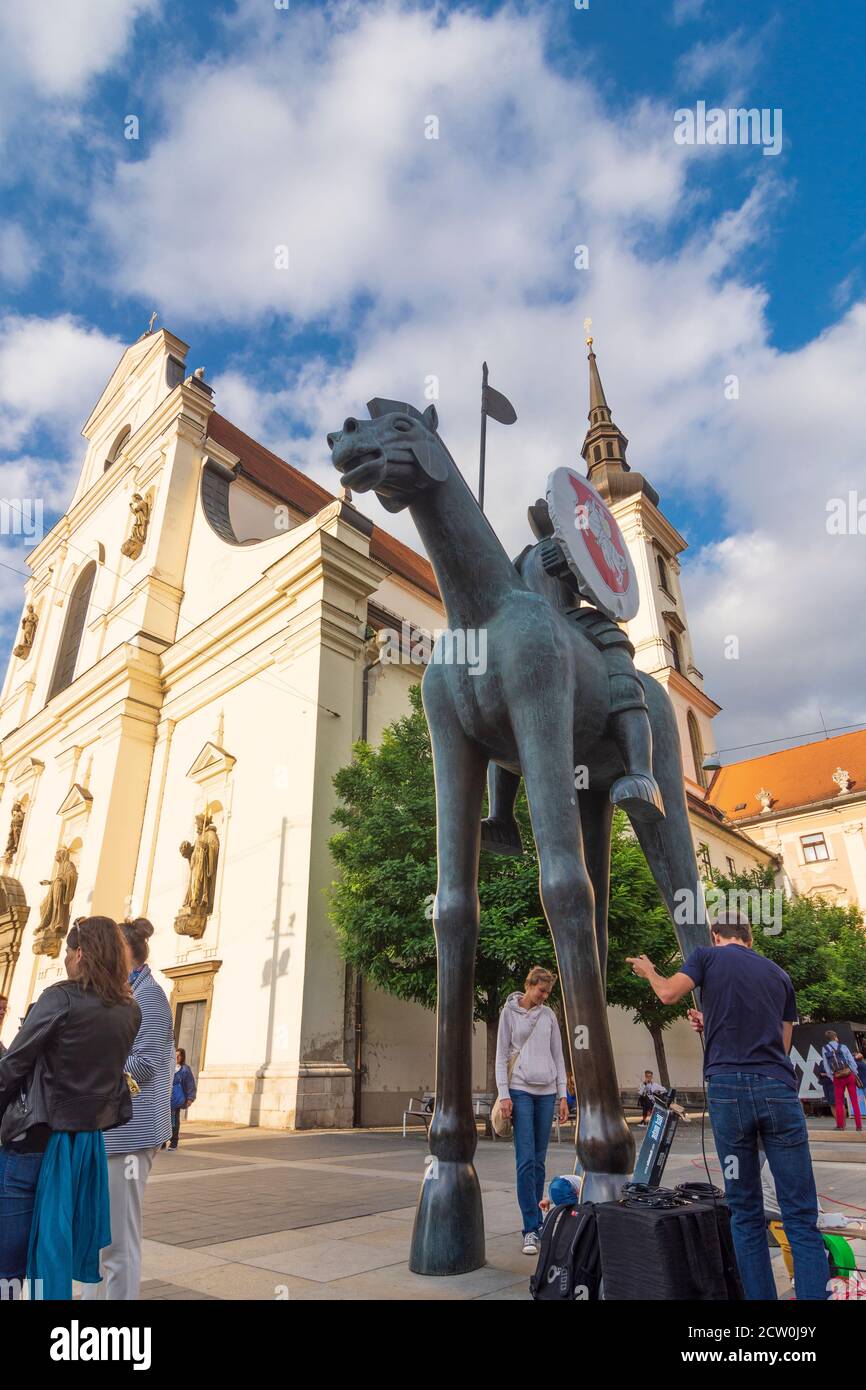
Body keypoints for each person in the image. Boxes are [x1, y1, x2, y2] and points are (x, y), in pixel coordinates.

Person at [627, 911, 829, 1301]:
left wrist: (650, 970)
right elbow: (781, 1044)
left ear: (716, 935)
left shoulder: (705, 957)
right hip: (777, 1091)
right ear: (749, 940)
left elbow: (668, 993)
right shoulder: (779, 974)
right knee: (800, 1214)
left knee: (746, 1212)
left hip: (728, 1092)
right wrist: (714, 1021)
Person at [0, 918, 140, 1296]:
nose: (64, 959)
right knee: (51, 1248)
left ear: (80, 953)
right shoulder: (130, 1011)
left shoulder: (60, 998)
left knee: (6, 1263)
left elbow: (13, 1064)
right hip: (81, 1149)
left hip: (32, 1143)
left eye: (66, 951)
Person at [80, 918, 173, 1301]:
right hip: (111, 1131)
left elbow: (146, 1063)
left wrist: (92, 1081)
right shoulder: (125, 995)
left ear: (124, 952)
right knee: (102, 1239)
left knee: (120, 1241)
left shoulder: (149, 996)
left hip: (129, 1134)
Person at [495, 966, 569, 1256]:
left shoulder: (549, 1016)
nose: (544, 996)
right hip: (521, 1090)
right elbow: (501, 1056)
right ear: (529, 985)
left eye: (548, 992)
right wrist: (504, 1094)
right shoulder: (509, 1014)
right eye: (541, 990)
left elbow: (558, 1056)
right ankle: (530, 1228)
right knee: (525, 1159)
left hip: (547, 1091)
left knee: (539, 1161)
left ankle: (538, 1223)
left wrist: (563, 1095)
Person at [821, 1031, 862, 1132]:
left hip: (837, 1077)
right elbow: (851, 1061)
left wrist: (832, 1076)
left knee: (838, 1102)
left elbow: (826, 1066)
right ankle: (859, 1126)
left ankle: (840, 1126)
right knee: (854, 1101)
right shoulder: (843, 1046)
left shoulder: (824, 1048)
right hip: (849, 1075)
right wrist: (853, 1072)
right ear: (836, 1037)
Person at [167, 1046, 196, 1150]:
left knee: (173, 1121)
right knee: (162, 1121)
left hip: (176, 1099)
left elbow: (190, 1084)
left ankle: (173, 1142)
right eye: (176, 1055)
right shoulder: (168, 1066)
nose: (177, 1057)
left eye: (179, 1056)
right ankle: (161, 1142)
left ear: (183, 1057)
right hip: (165, 1098)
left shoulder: (185, 1069)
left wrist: (190, 1098)